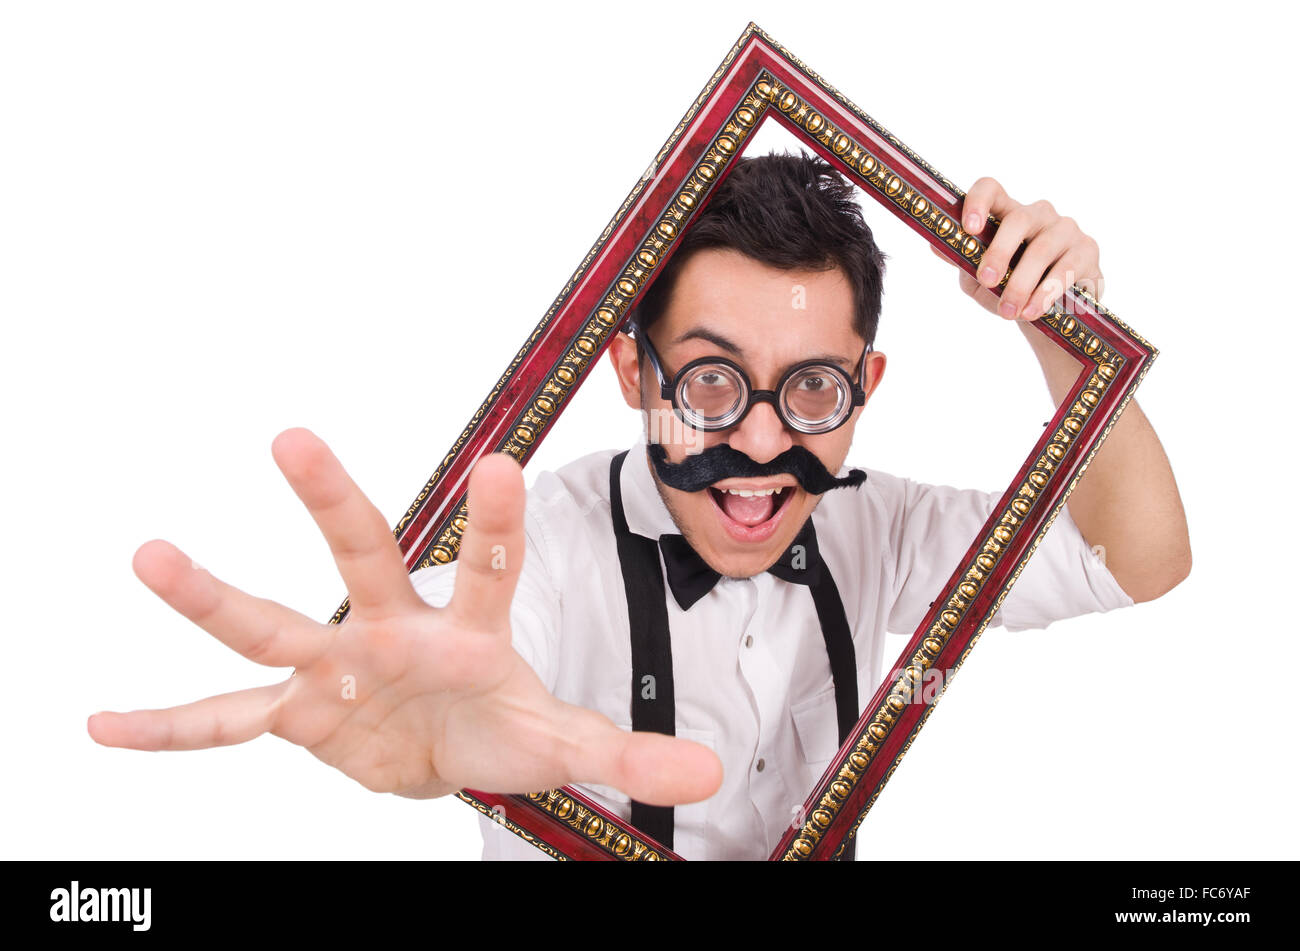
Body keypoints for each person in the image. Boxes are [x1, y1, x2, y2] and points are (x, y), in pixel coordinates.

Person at [87, 152, 1192, 861]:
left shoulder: (876, 527)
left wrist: (1060, 323)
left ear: (868, 383)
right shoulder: (542, 551)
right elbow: (448, 646)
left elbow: (1138, 558)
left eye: (813, 388)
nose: (762, 443)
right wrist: (417, 710)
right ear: (632, 371)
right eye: (710, 381)